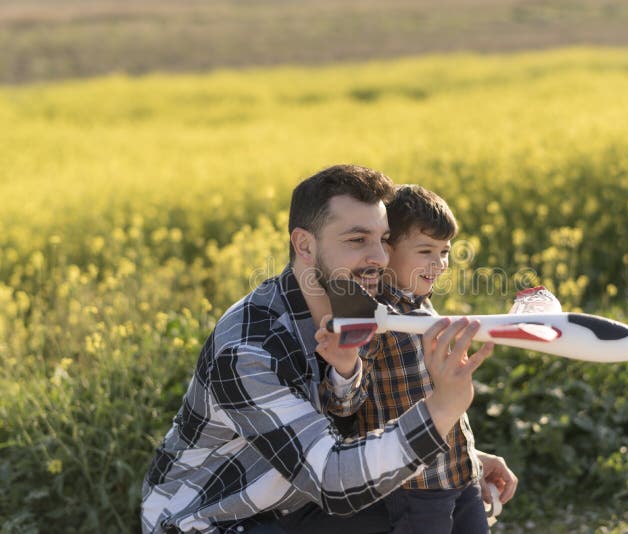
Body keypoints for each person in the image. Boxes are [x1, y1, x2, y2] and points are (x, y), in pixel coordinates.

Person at [140, 165, 496, 534]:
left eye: (384, 239)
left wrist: (458, 454)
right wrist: (441, 411)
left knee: (429, 510)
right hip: (218, 519)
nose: (380, 258)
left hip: (294, 502)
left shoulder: (359, 314)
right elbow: (333, 480)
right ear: (305, 245)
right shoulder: (248, 349)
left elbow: (360, 415)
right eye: (358, 240)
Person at [317, 185, 518, 533]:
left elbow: (441, 401)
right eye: (426, 251)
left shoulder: (421, 305)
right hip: (415, 489)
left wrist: (473, 457)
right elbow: (345, 407)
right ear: (386, 251)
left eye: (445, 252)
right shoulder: (377, 317)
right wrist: (344, 366)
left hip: (460, 476)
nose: (438, 263)